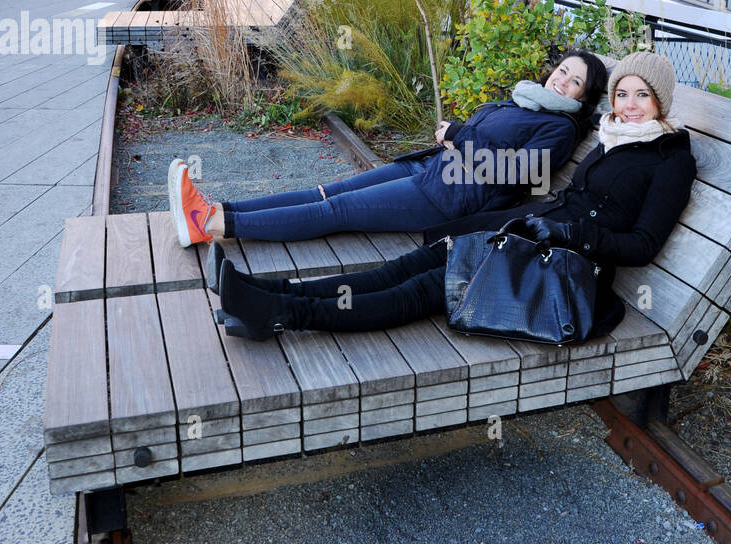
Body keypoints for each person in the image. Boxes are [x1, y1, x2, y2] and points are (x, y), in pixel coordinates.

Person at [215, 50, 696, 342]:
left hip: (566, 268)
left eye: (642, 97)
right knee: (401, 267)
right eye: (623, 95)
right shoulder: (612, 138)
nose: (630, 107)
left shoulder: (670, 159)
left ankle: (281, 315)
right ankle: (269, 293)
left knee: (422, 290)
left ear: (662, 102)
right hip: (531, 232)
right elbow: (557, 195)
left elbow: (643, 244)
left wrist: (572, 232)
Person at [168, 50, 609, 249]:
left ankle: (211, 225)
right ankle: (217, 209)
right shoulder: (524, 99)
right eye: (563, 70)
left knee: (335, 213)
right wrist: (453, 140)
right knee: (327, 193)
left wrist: (459, 135)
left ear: (582, 97)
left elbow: (521, 174)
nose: (562, 80)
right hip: (431, 170)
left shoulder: (561, 127)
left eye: (575, 82)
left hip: (448, 198)